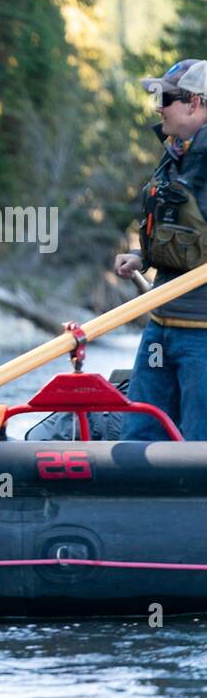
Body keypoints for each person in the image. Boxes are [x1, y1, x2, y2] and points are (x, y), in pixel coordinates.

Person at [115, 58, 207, 440]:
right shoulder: (173, 155)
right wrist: (142, 257)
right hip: (161, 325)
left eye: (166, 97)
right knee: (139, 435)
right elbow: (174, 229)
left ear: (195, 103)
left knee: (199, 443)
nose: (158, 106)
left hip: (202, 335)